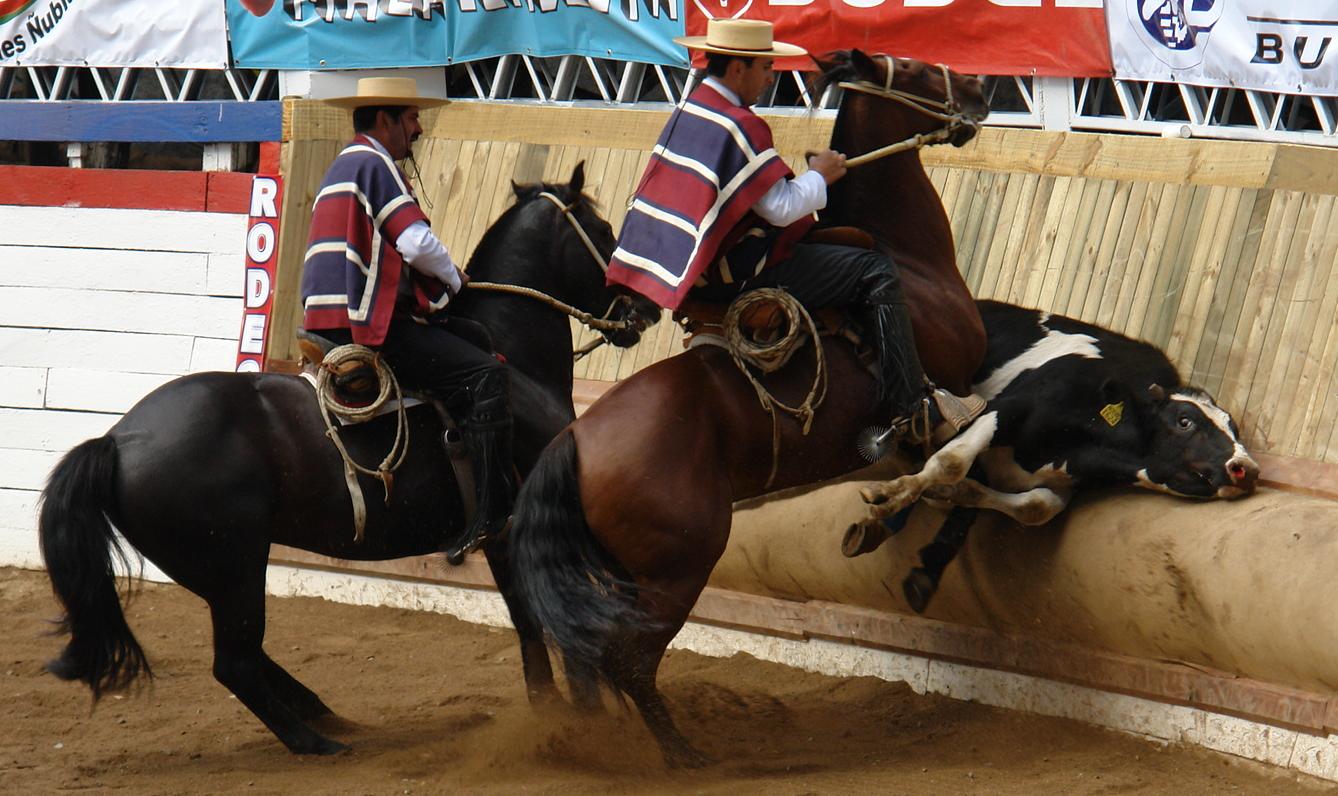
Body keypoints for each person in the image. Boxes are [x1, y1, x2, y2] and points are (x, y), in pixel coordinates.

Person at [606, 19, 983, 446]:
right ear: (739, 68)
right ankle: (912, 405)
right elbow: (781, 209)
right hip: (742, 270)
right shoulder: (739, 124)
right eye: (766, 68)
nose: (771, 78)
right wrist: (820, 175)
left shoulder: (691, 109)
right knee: (874, 270)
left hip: (696, 272)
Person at [299, 76, 511, 564]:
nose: (418, 129)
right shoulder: (376, 163)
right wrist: (454, 280)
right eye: (412, 117)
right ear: (385, 120)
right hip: (363, 324)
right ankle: (493, 514)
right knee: (487, 374)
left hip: (324, 317)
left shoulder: (343, 164)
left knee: (466, 339)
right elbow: (415, 243)